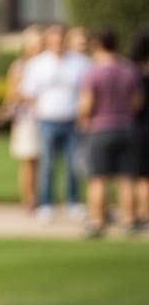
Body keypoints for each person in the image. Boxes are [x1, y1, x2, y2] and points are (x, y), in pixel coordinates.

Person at [21, 23, 92, 222]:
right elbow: (28, 93)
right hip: (48, 120)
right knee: (48, 165)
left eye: (61, 37)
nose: (58, 41)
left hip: (72, 120)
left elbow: (88, 91)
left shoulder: (81, 63)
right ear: (48, 40)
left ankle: (73, 202)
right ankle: (47, 203)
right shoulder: (38, 64)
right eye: (54, 37)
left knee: (73, 164)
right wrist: (40, 111)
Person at [77, 27, 143, 236]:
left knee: (98, 177)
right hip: (125, 126)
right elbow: (137, 101)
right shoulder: (128, 69)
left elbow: (87, 104)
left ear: (97, 44)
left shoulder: (94, 72)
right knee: (126, 177)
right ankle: (131, 220)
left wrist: (84, 121)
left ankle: (97, 221)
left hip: (101, 127)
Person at [0, 25, 44, 212]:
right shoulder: (20, 66)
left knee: (44, 162)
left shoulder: (48, 64)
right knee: (29, 161)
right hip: (27, 119)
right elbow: (13, 94)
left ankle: (44, 198)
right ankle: (30, 199)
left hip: (46, 117)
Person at [130, 27, 149, 231]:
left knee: (139, 174)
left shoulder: (131, 71)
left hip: (138, 125)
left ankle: (141, 213)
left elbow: (135, 102)